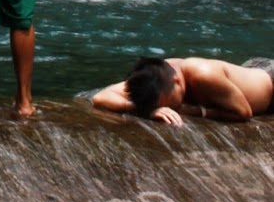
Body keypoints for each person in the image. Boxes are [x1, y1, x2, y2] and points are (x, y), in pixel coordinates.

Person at [92, 55, 274, 123]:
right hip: (253, 68)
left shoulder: (202, 74)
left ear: (177, 81)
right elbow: (100, 98)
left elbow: (244, 112)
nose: (168, 107)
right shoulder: (151, 79)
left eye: (169, 102)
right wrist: (146, 110)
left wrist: (192, 111)